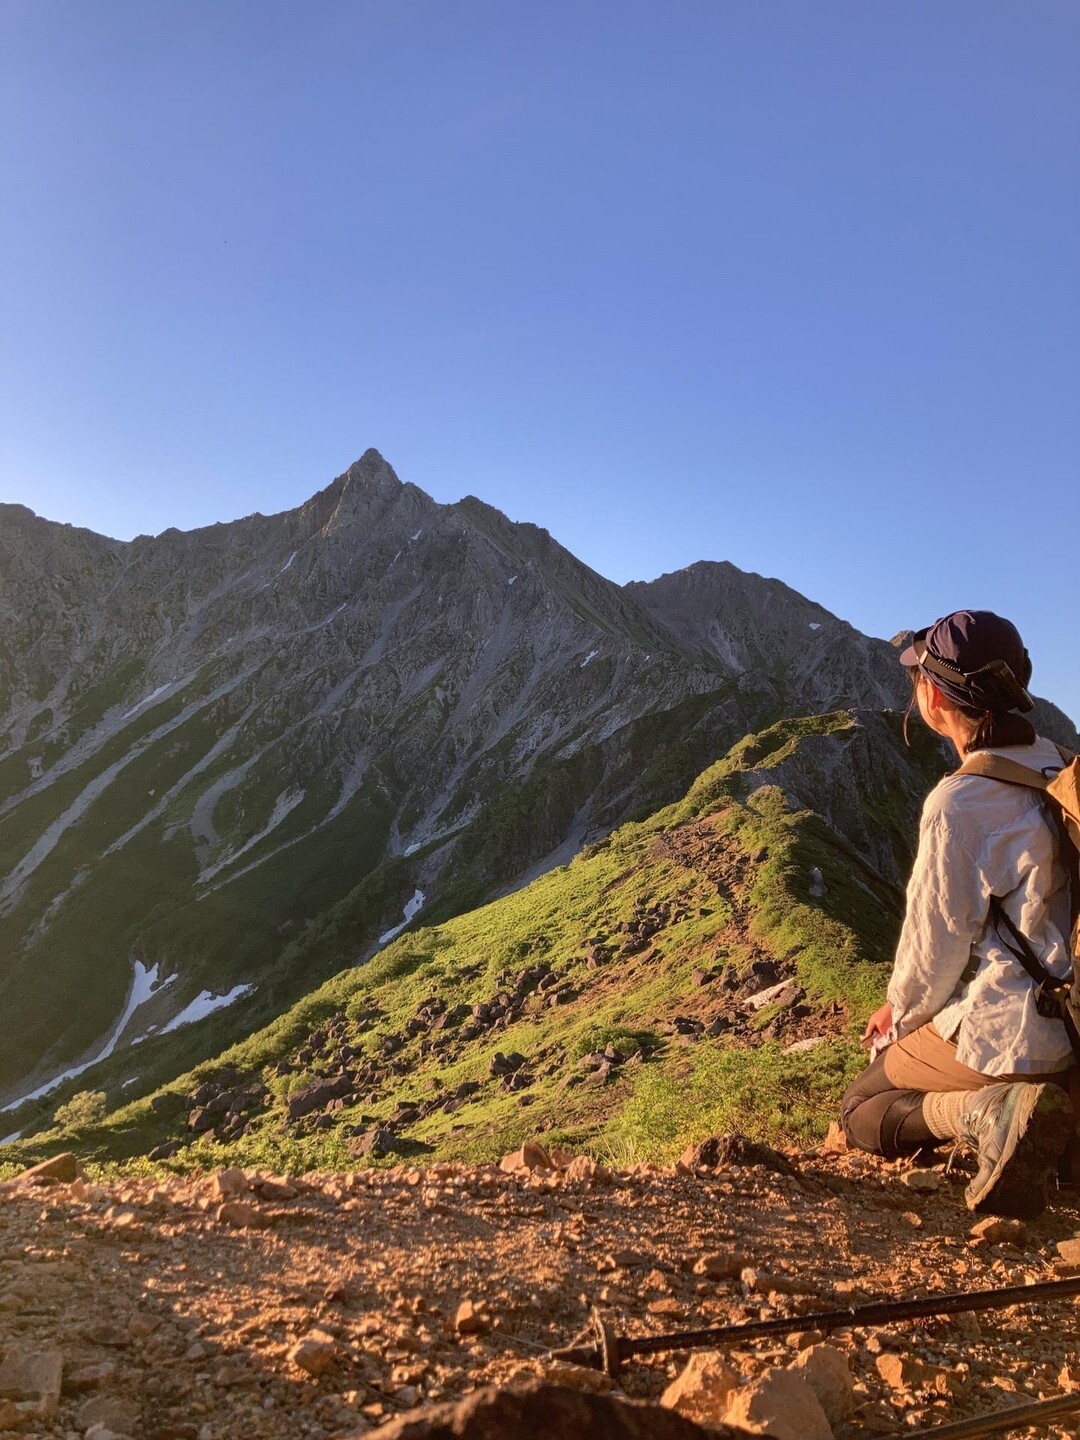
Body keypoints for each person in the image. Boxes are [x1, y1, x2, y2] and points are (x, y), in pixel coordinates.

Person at [840, 610, 1077, 1218]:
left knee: (862, 1109)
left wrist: (896, 1022)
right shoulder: (1062, 765)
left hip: (1027, 1031)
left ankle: (988, 1113)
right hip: (1077, 1020)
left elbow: (933, 953)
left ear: (936, 696)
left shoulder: (959, 803)